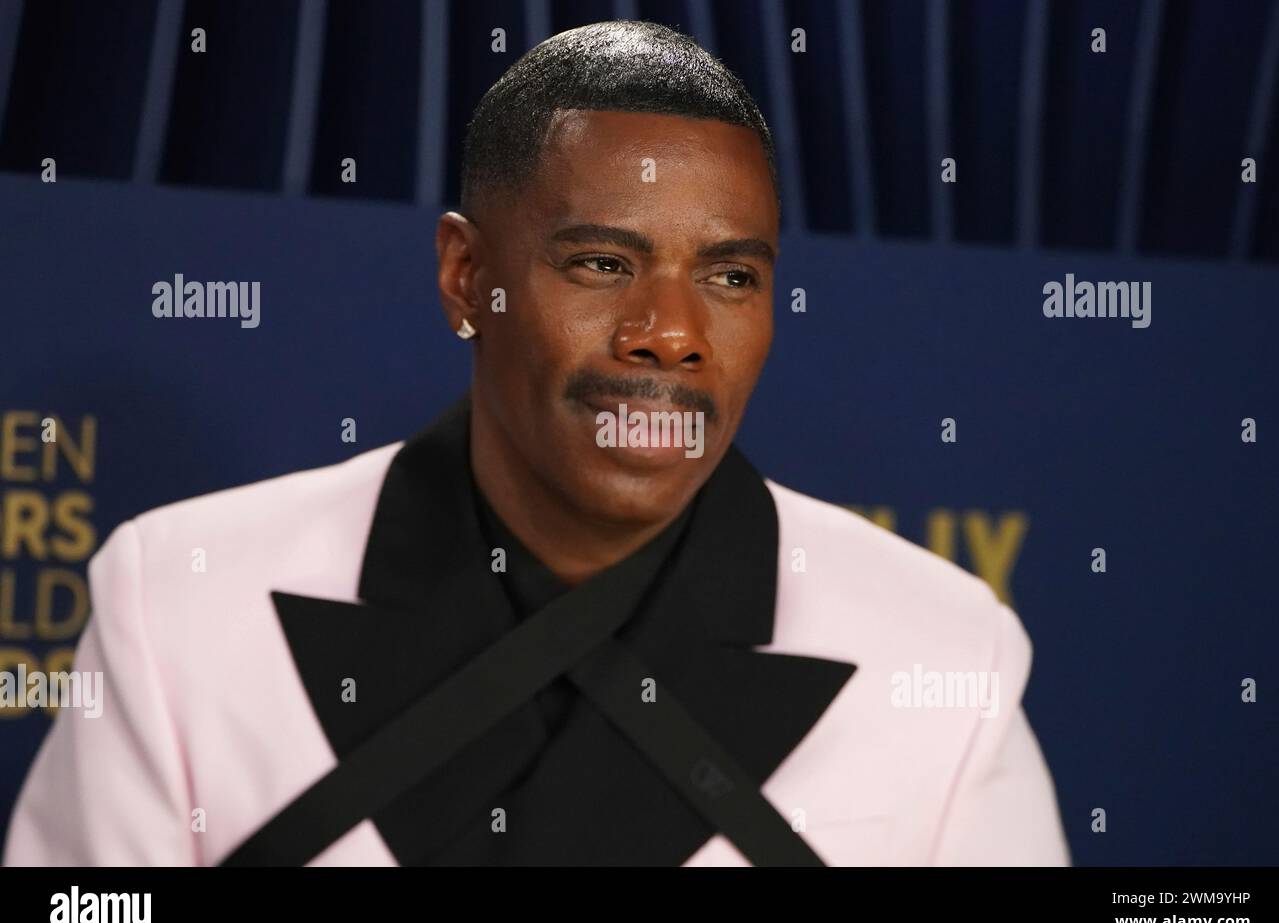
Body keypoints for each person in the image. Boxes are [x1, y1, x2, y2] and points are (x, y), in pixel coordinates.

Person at [3, 20, 1069, 866]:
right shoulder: (181, 602)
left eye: (731, 276)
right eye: (603, 262)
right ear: (467, 276)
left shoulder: (944, 653)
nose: (671, 334)